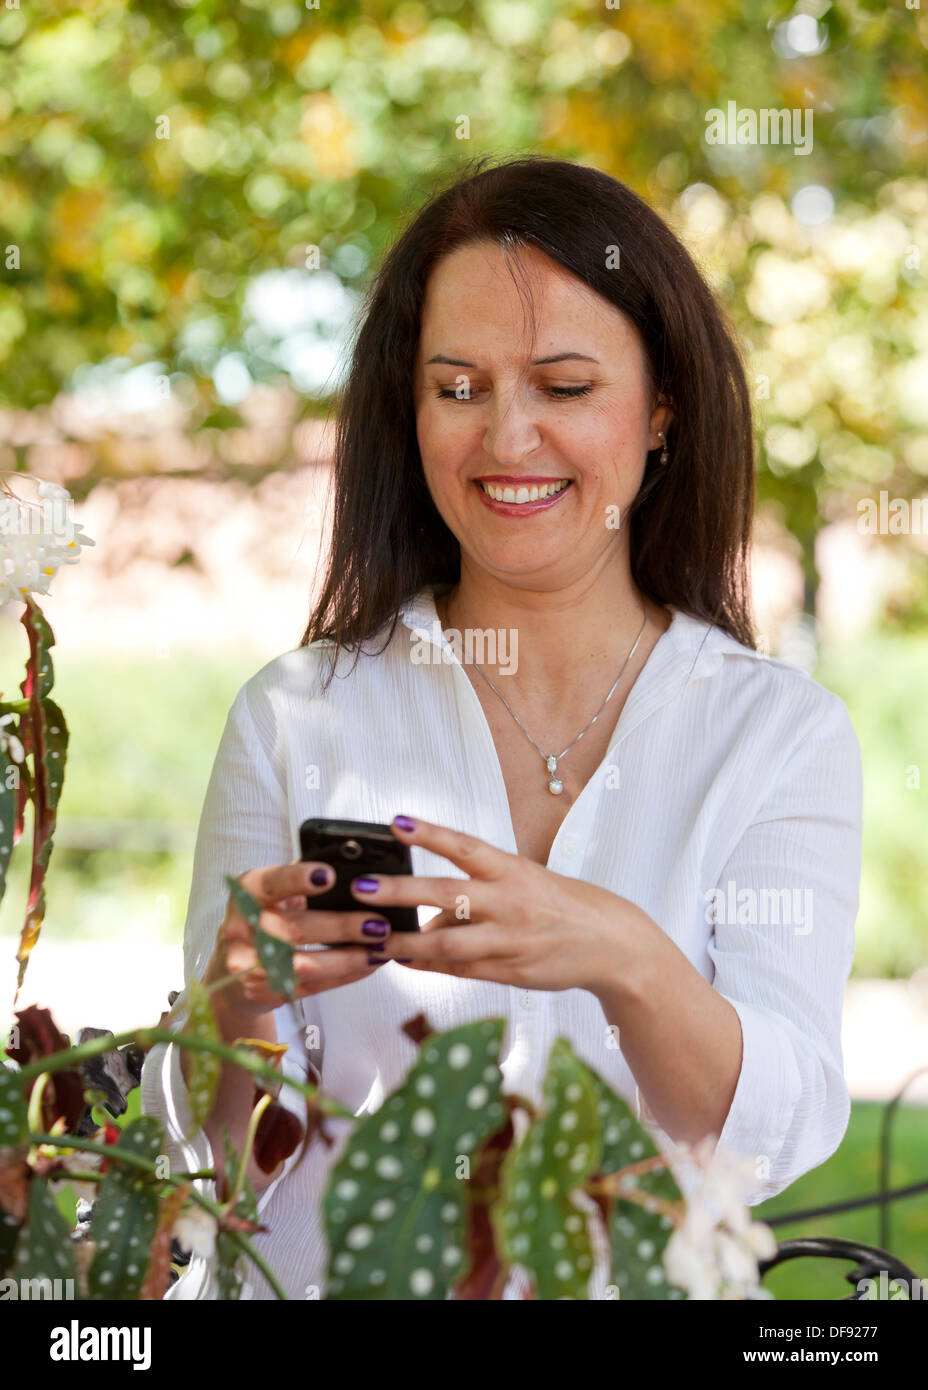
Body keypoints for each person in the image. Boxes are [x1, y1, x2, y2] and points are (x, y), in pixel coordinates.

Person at [140, 154, 862, 1300]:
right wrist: (237, 999)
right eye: (457, 386)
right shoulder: (300, 714)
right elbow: (200, 1173)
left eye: (564, 386)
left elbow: (764, 1138)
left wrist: (621, 953)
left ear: (663, 405)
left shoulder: (774, 734)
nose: (505, 437)